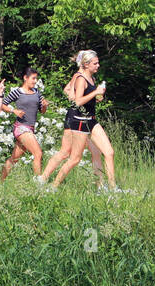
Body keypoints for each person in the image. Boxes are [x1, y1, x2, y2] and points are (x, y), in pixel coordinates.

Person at [37, 50, 119, 191]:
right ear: (86, 64)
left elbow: (86, 98)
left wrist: (97, 97)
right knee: (74, 158)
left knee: (109, 152)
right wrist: (95, 93)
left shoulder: (91, 78)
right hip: (79, 120)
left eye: (98, 62)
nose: (98, 65)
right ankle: (52, 186)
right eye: (95, 63)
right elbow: (78, 101)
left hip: (91, 120)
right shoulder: (80, 78)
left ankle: (112, 189)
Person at [0, 67, 49, 181]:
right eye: (33, 78)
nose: (35, 81)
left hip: (30, 128)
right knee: (38, 153)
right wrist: (14, 111)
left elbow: (42, 111)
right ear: (25, 78)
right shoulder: (17, 92)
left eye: (36, 79)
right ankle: (38, 183)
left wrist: (45, 105)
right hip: (21, 128)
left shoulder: (37, 92)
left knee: (14, 159)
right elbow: (2, 105)